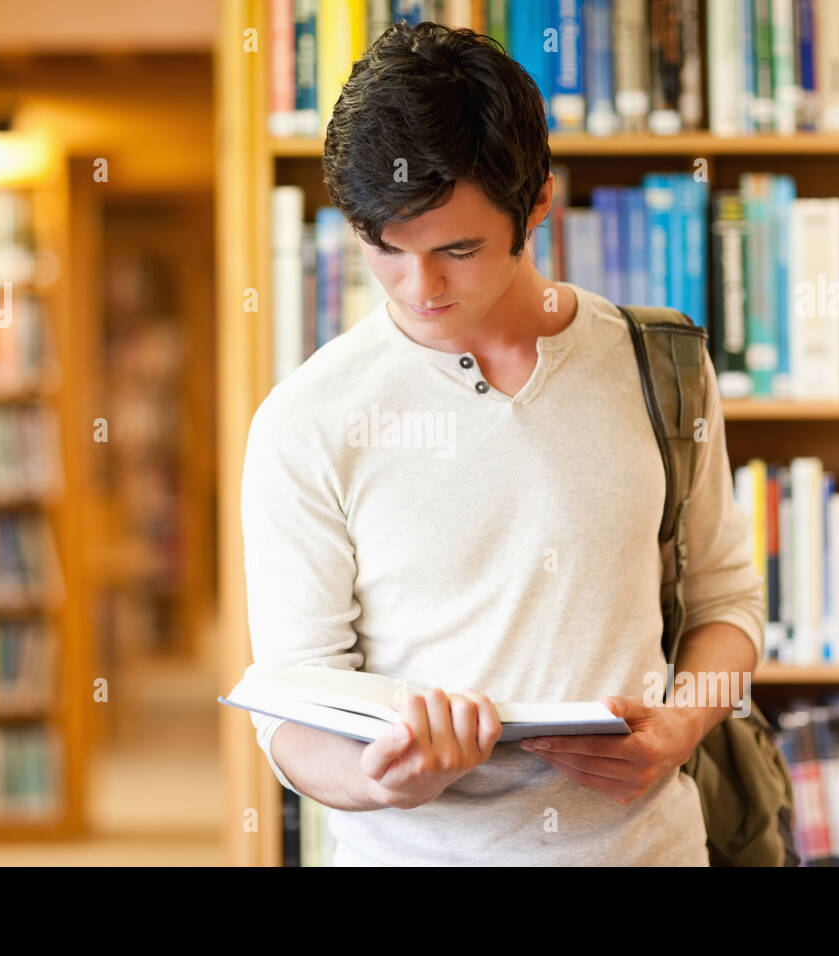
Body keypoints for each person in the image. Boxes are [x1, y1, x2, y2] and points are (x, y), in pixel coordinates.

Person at [240, 20, 764, 865]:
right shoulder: (306, 420)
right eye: (385, 248)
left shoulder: (662, 365)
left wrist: (679, 726)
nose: (421, 289)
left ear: (539, 205)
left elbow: (726, 603)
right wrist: (382, 779)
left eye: (458, 248)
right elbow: (289, 711)